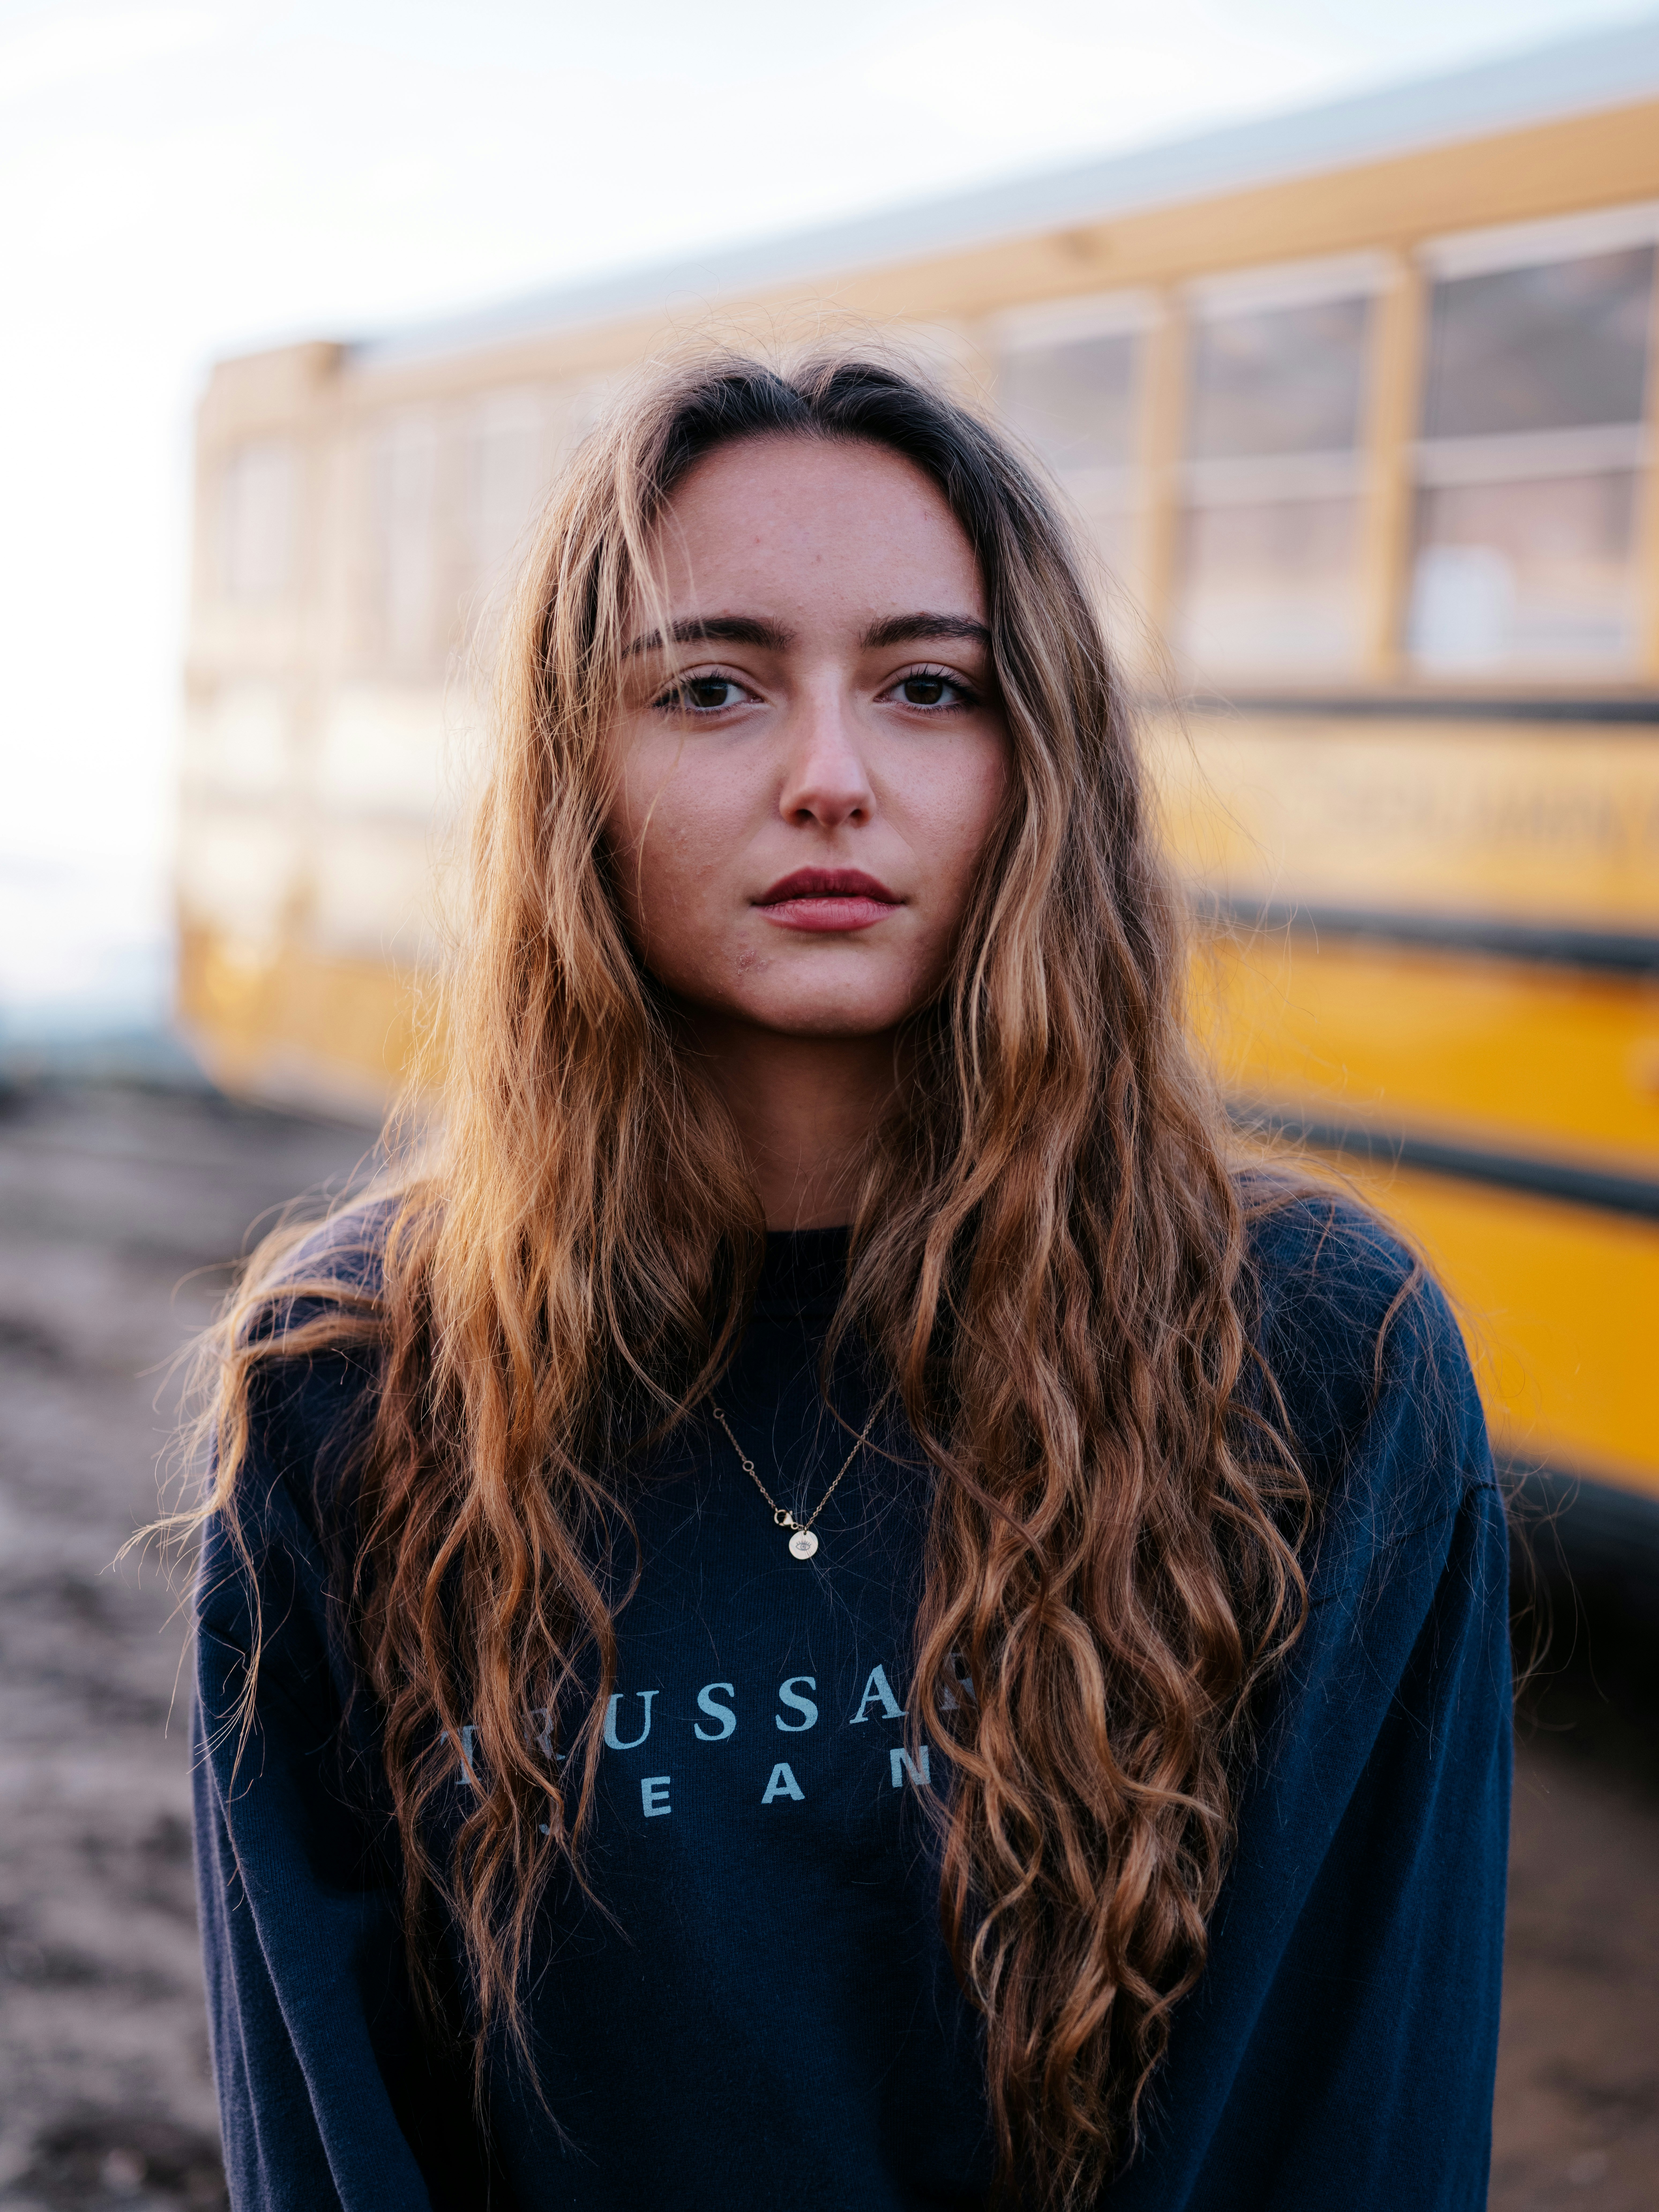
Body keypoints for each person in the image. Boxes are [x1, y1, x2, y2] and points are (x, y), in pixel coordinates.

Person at [189, 352, 1511, 2212]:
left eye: (929, 689)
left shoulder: (1310, 1357)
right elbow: (333, 2136)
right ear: (576, 773)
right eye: (712, 689)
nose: (830, 779)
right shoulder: (357, 1380)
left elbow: (1351, 2121)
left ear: (1041, 762)